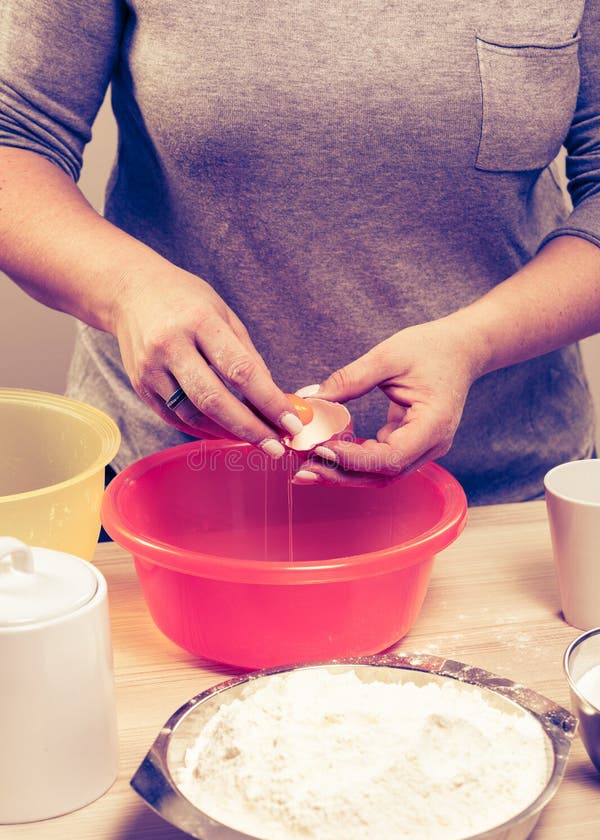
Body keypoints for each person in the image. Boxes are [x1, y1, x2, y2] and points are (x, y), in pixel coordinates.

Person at [1, 1, 600, 505]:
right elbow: (13, 138)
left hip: (506, 502)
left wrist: (477, 342)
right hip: (176, 489)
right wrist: (128, 289)